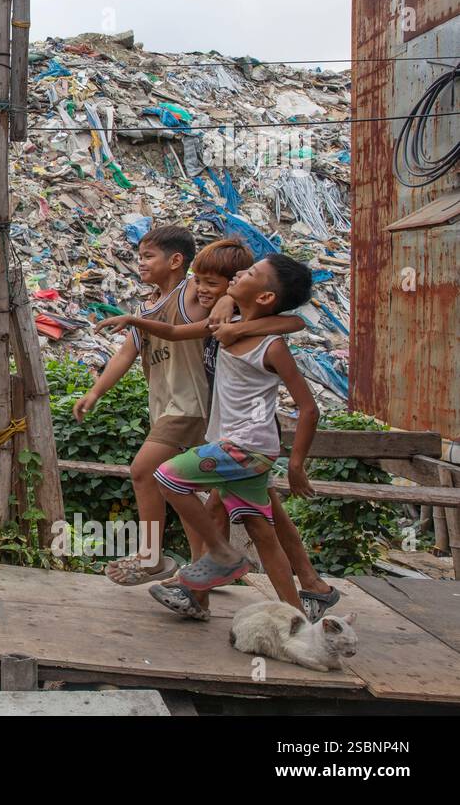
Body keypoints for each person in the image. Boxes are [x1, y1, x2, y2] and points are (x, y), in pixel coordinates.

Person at [100, 240, 338, 620]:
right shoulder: (221, 320)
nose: (203, 289)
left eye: (214, 282)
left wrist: (297, 464)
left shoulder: (255, 334)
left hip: (245, 441)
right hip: (233, 437)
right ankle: (295, 613)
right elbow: (176, 334)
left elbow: (296, 325)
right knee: (261, 527)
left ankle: (212, 566)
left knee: (167, 477)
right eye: (199, 282)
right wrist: (132, 320)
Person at [72, 226, 218, 585]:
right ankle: (207, 560)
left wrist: (226, 298)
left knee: (142, 470)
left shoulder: (192, 295)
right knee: (178, 484)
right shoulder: (147, 307)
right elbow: (125, 354)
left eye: (148, 256)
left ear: (176, 260)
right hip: (166, 407)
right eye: (139, 256)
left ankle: (153, 557)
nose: (140, 263)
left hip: (190, 403)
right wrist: (95, 392)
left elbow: (228, 290)